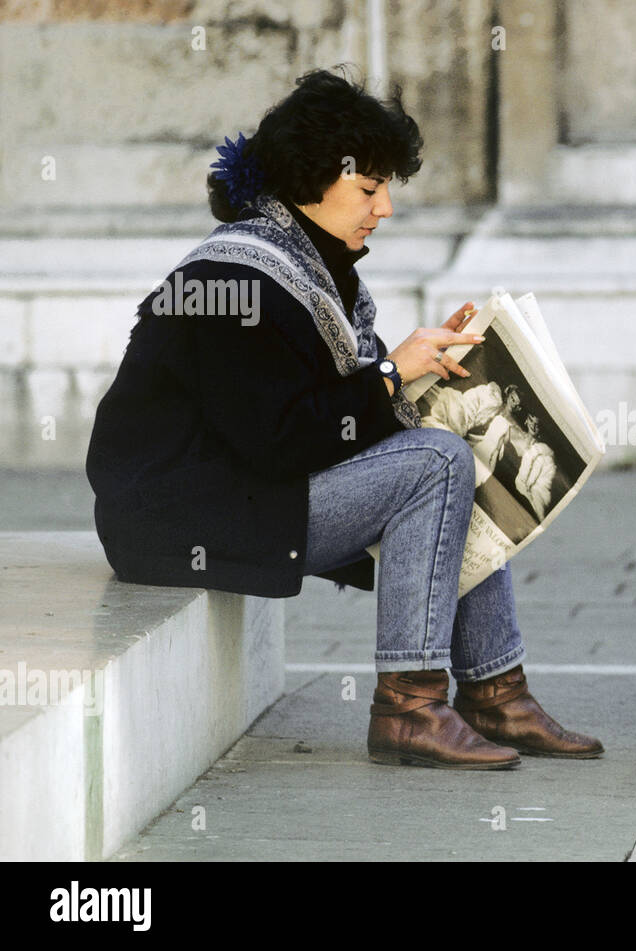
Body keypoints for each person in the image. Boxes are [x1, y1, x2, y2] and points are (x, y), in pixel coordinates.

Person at [85, 68, 602, 770]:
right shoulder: (231, 280)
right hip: (182, 517)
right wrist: (391, 374)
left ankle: (495, 690)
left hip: (246, 492)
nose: (384, 207)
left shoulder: (313, 270)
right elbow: (280, 442)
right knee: (438, 459)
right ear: (310, 180)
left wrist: (419, 376)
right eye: (369, 188)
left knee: (455, 442)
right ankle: (410, 707)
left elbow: (323, 418)